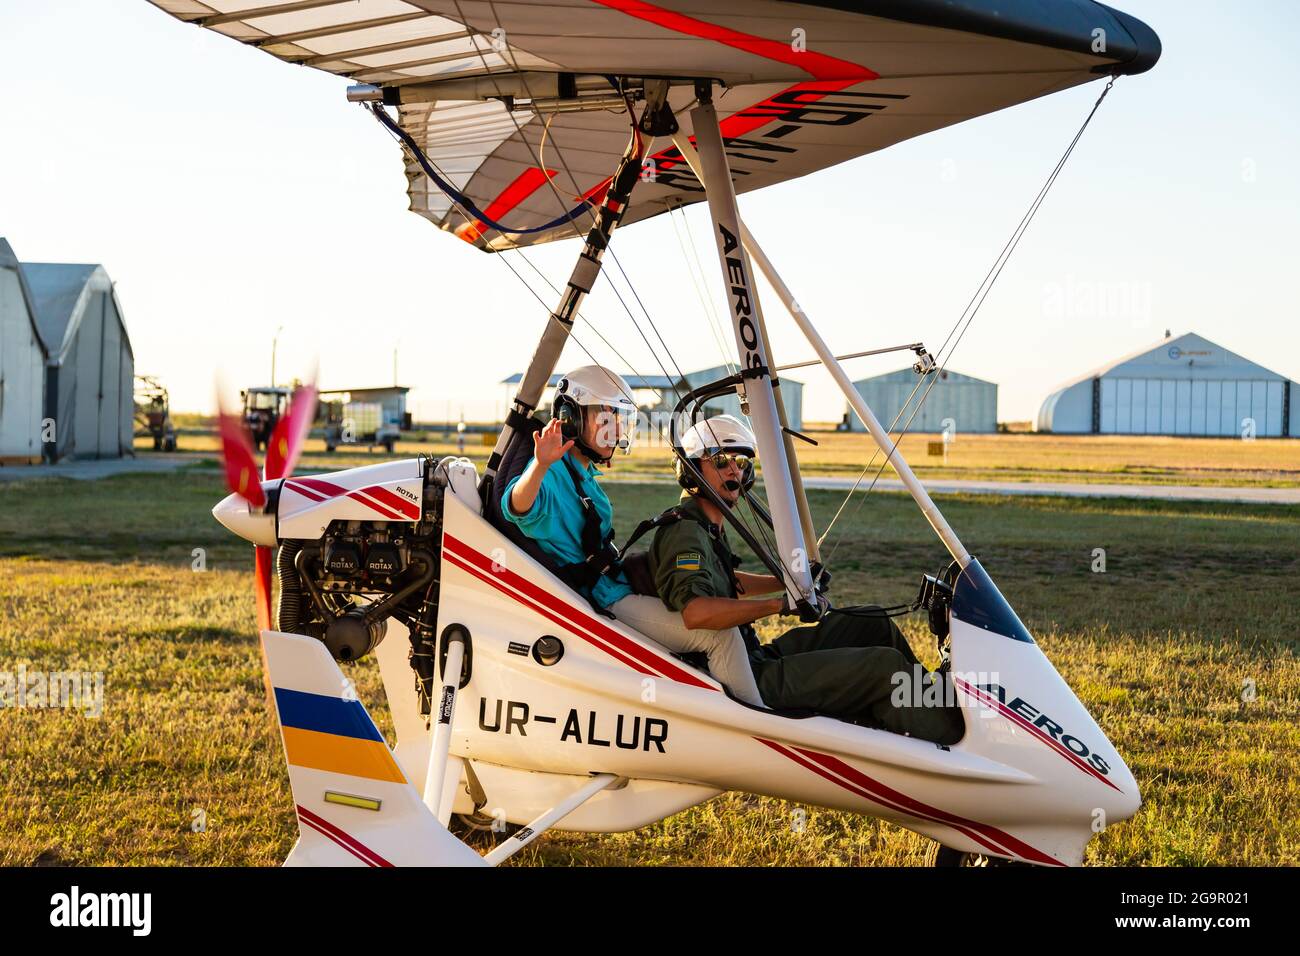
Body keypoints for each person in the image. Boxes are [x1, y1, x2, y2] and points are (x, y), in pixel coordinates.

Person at [648, 414, 964, 745]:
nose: (734, 471)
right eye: (720, 461)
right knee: (882, 667)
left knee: (873, 623)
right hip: (745, 675)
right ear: (692, 468)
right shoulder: (684, 532)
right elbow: (697, 612)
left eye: (740, 462)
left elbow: (727, 582)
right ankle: (952, 739)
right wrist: (779, 605)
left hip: (755, 655)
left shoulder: (706, 525)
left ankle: (933, 701)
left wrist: (787, 582)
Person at [500, 365, 764, 706]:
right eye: (604, 416)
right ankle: (761, 724)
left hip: (615, 585)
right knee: (720, 637)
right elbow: (518, 506)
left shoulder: (583, 475)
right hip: (605, 600)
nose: (614, 427)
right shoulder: (550, 473)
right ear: (571, 417)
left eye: (617, 416)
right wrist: (540, 464)